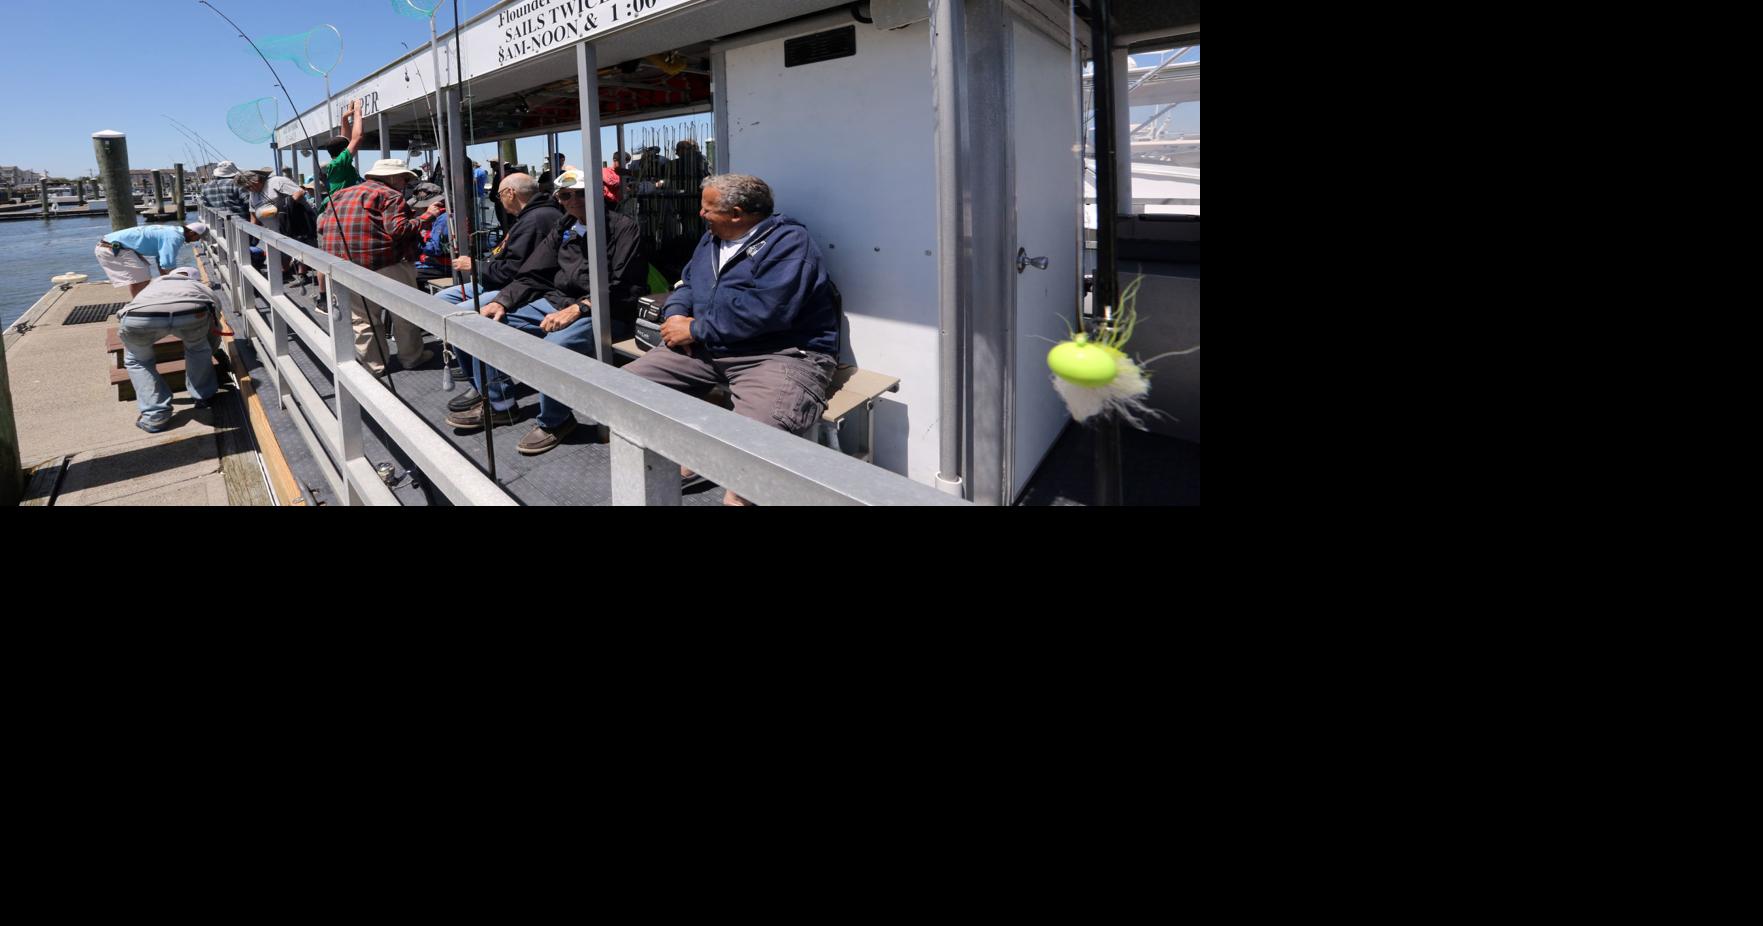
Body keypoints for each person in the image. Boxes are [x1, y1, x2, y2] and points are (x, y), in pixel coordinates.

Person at [621, 174, 839, 505]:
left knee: (753, 448)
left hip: (779, 354)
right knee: (623, 387)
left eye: (707, 208)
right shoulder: (711, 239)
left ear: (736, 213)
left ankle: (737, 493)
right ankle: (693, 452)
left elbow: (767, 312)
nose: (701, 214)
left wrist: (694, 330)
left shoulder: (791, 244)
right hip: (711, 346)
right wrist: (677, 316)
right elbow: (688, 284)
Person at [443, 169, 646, 455]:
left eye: (581, 193)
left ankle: (556, 421)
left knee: (555, 345)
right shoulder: (564, 227)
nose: (573, 200)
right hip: (558, 301)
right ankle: (500, 405)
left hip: (607, 309)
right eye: (566, 195)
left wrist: (581, 307)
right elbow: (532, 274)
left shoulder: (623, 227)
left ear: (598, 195)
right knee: (480, 323)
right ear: (559, 199)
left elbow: (625, 285)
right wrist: (502, 301)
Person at [433, 171, 564, 413]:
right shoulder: (528, 217)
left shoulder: (535, 220)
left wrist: (475, 266)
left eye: (500, 194)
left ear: (510, 193)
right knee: (440, 301)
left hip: (517, 288)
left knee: (463, 316)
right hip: (498, 280)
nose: (499, 200)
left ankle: (492, 393)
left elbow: (514, 272)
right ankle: (477, 376)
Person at [319, 158, 445, 377]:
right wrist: (427, 216)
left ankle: (374, 365)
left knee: (362, 318)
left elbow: (321, 225)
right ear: (392, 178)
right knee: (404, 312)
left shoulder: (339, 195)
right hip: (386, 262)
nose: (406, 183)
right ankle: (412, 357)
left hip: (344, 265)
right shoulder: (391, 195)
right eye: (404, 178)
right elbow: (398, 230)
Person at [115, 267, 221, 433]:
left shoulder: (152, 285)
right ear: (196, 279)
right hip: (192, 311)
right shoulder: (198, 287)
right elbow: (215, 321)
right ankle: (203, 397)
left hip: (140, 316)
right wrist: (210, 347)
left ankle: (155, 416)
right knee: (198, 349)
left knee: (138, 360)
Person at [95, 222, 208, 298]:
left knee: (142, 273)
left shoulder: (173, 231)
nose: (196, 241)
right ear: (192, 233)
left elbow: (161, 261)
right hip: (112, 248)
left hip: (116, 246)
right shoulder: (174, 237)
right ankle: (139, 305)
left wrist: (168, 282)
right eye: (198, 238)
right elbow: (167, 265)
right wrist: (183, 283)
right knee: (141, 278)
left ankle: (141, 302)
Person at [321, 99, 367, 203]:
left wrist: (344, 118)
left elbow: (346, 139)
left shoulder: (337, 163)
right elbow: (357, 138)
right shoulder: (339, 164)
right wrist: (357, 113)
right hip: (341, 207)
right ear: (343, 150)